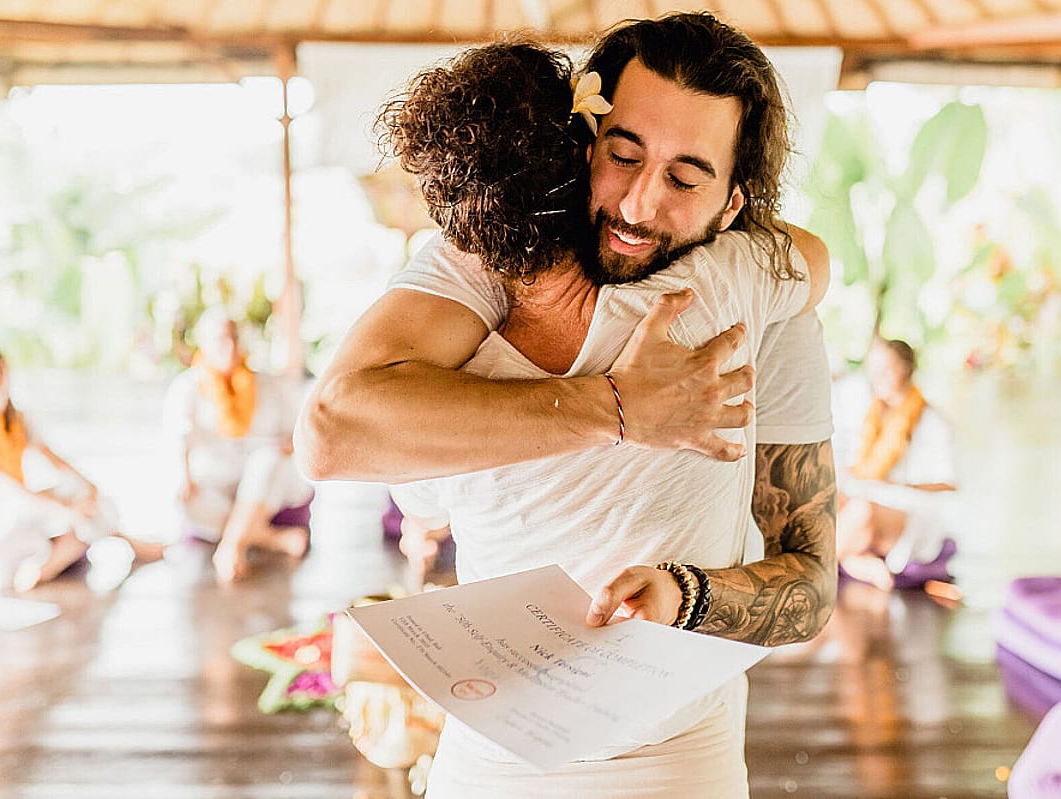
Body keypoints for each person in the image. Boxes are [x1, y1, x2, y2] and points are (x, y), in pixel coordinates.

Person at [298, 16, 837, 797]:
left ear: (733, 208)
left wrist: (686, 595)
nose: (640, 205)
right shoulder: (482, 260)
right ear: (580, 141)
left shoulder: (758, 292)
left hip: (681, 759)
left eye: (686, 179)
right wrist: (618, 406)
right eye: (623, 156)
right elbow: (330, 430)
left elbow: (811, 587)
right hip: (490, 747)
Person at [0, 349, 162, 593]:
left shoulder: (15, 417)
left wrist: (88, 486)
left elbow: (52, 457)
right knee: (78, 515)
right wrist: (64, 507)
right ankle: (128, 544)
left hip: (21, 510)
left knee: (90, 500)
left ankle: (44, 567)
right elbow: (4, 488)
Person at [164, 309, 313, 582]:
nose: (230, 347)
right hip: (216, 485)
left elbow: (296, 433)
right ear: (203, 344)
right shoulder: (188, 386)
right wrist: (184, 476)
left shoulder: (266, 384)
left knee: (267, 461)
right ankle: (269, 539)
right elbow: (178, 436)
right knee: (182, 497)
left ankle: (230, 547)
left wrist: (283, 448)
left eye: (233, 338)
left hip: (263, 487)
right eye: (221, 339)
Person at [835, 338, 958, 590]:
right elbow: (862, 470)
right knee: (826, 493)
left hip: (912, 511)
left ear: (905, 369)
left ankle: (813, 569)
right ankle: (855, 561)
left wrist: (895, 484)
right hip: (874, 497)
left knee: (863, 511)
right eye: (874, 370)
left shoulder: (933, 421)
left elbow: (949, 485)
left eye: (886, 369)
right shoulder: (873, 415)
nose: (877, 377)